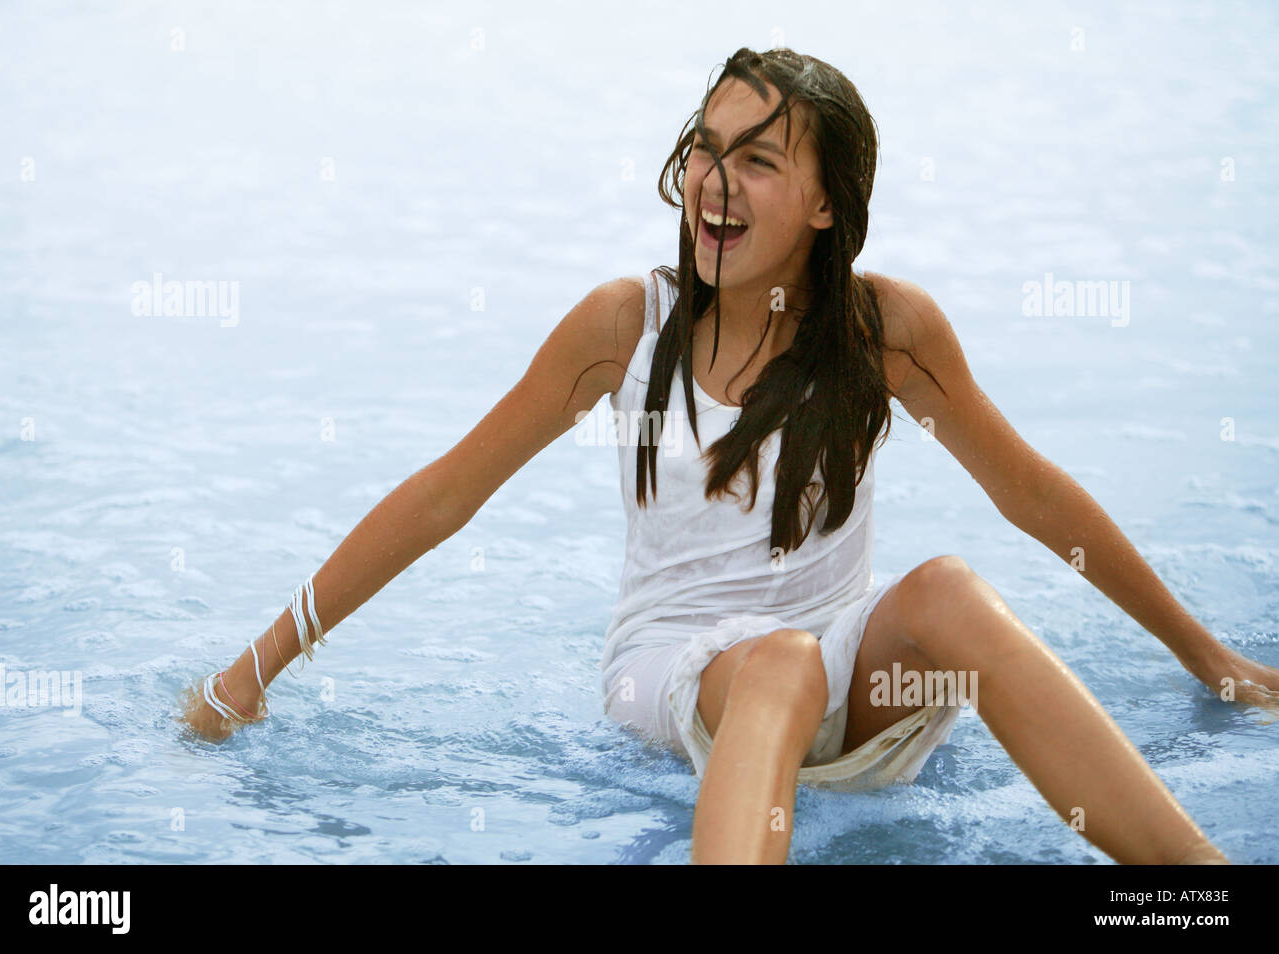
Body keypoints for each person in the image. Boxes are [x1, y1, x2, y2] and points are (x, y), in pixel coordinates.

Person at [180, 46, 1279, 865]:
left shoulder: (884, 330)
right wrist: (252, 670)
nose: (714, 181)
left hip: (847, 682)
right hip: (678, 678)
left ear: (822, 205)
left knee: (944, 592)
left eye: (756, 161)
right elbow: (444, 497)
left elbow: (1035, 496)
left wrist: (1209, 660)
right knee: (777, 664)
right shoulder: (626, 326)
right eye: (705, 150)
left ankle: (1197, 885)